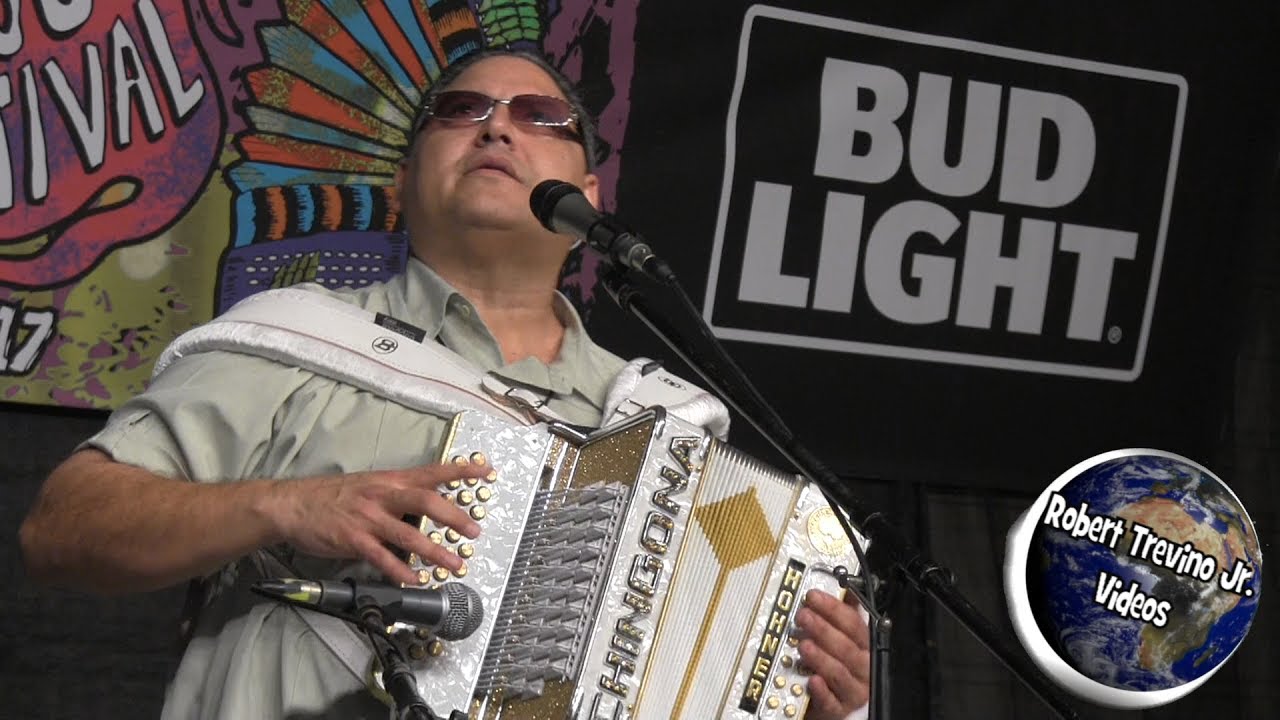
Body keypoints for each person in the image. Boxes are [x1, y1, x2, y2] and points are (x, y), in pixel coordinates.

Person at [19, 49, 870, 719]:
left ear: (586, 194)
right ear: (401, 181)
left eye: (540, 116)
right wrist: (282, 505)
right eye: (460, 111)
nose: (496, 129)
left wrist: (814, 694)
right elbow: (62, 529)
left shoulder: (668, 424)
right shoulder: (294, 338)